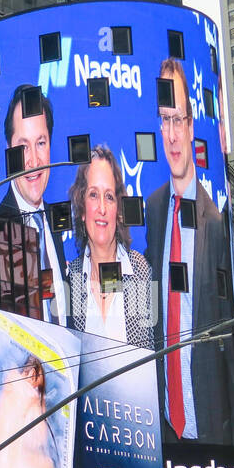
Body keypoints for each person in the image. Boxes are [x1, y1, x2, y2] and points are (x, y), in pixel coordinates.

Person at [145, 58, 234, 446]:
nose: (171, 135)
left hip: (209, 431)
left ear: (191, 125)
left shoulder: (216, 223)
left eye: (178, 119)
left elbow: (230, 342)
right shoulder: (151, 209)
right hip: (163, 428)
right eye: (164, 120)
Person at [66, 145, 155, 348]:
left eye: (109, 196)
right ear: (81, 208)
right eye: (93, 195)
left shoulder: (141, 271)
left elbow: (155, 352)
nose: (102, 209)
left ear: (118, 209)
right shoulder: (72, 278)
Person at [0, 83, 68, 324]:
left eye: (41, 143)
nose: (34, 161)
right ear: (9, 151)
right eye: (23, 146)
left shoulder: (56, 223)